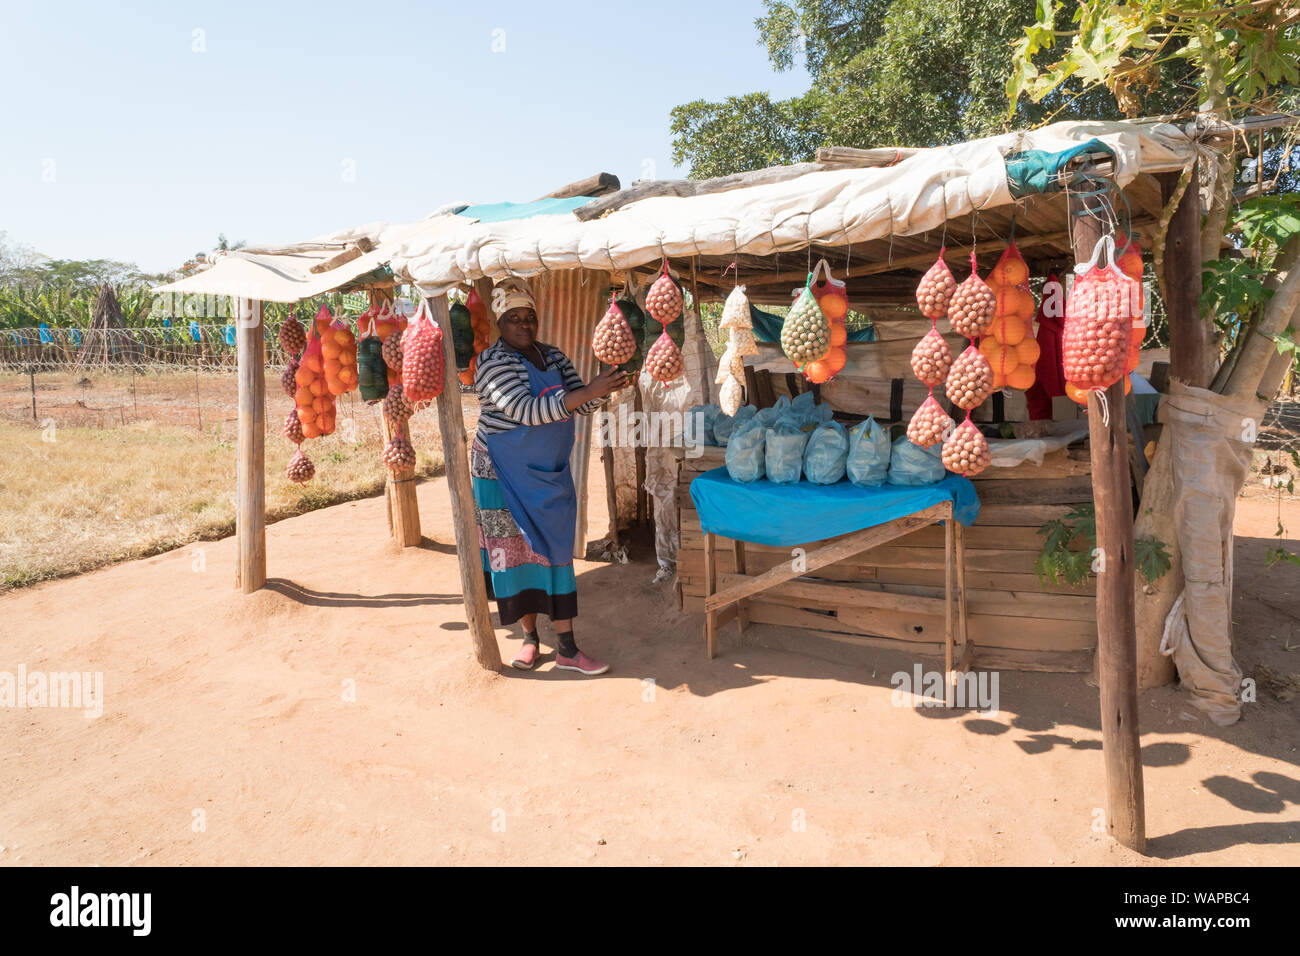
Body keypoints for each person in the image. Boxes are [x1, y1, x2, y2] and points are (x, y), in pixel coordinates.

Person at [471, 279, 629, 675]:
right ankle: (529, 640)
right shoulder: (492, 363)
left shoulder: (554, 356)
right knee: (520, 557)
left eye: (530, 318)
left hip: (547, 470)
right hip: (502, 473)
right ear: (499, 321)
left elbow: (581, 401)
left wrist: (606, 387)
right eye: (514, 318)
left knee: (555, 551)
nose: (524, 325)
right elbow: (527, 411)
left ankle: (568, 648)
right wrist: (586, 392)